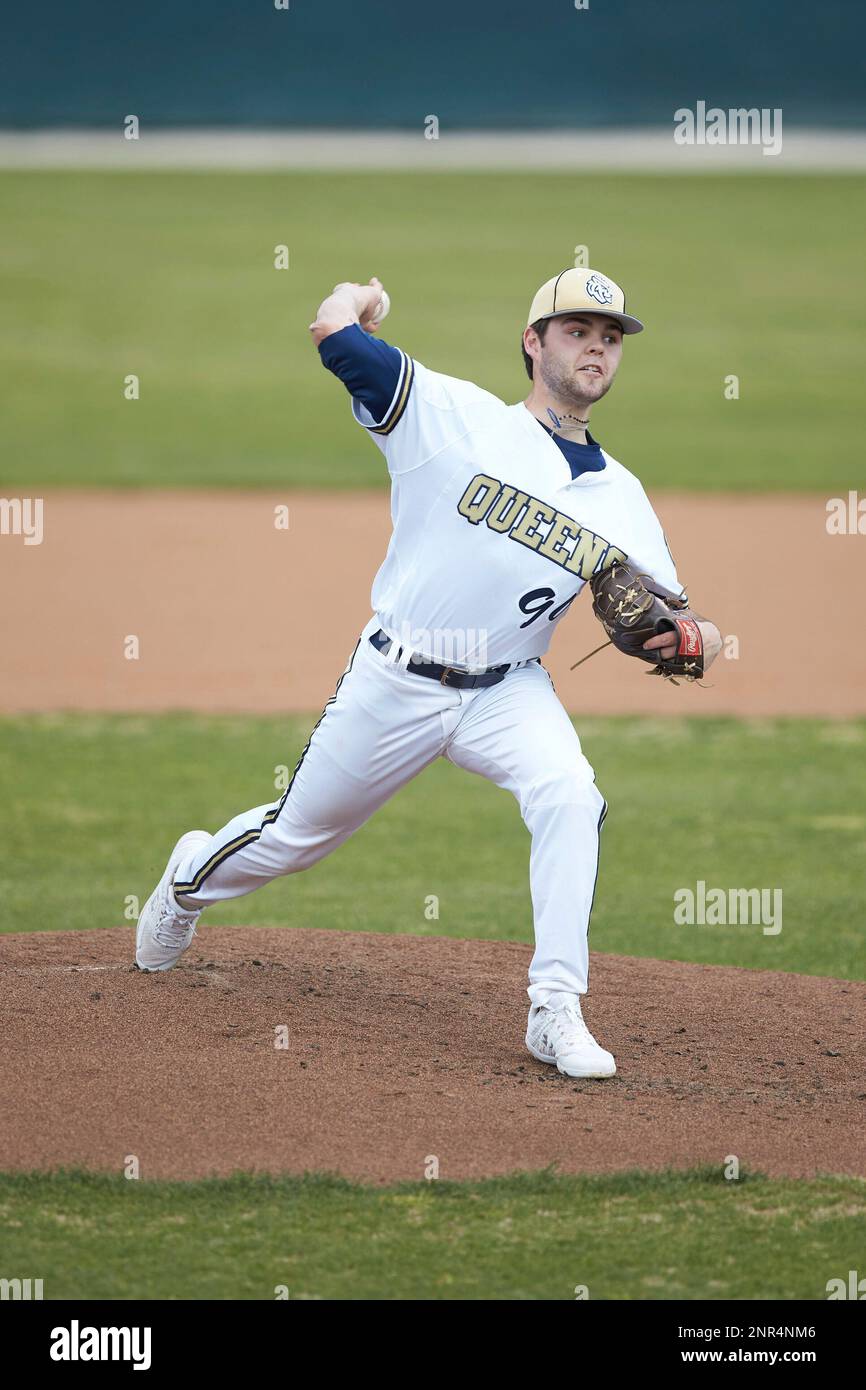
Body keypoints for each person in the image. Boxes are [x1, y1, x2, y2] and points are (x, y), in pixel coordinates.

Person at [135, 267, 721, 1079]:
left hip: (509, 690)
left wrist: (698, 641)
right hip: (395, 681)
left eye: (611, 336)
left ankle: (554, 1009)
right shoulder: (453, 419)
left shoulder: (622, 498)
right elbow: (337, 341)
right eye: (578, 330)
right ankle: (187, 881)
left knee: (570, 795)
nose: (596, 347)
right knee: (292, 841)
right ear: (534, 341)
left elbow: (688, 622)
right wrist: (352, 302)